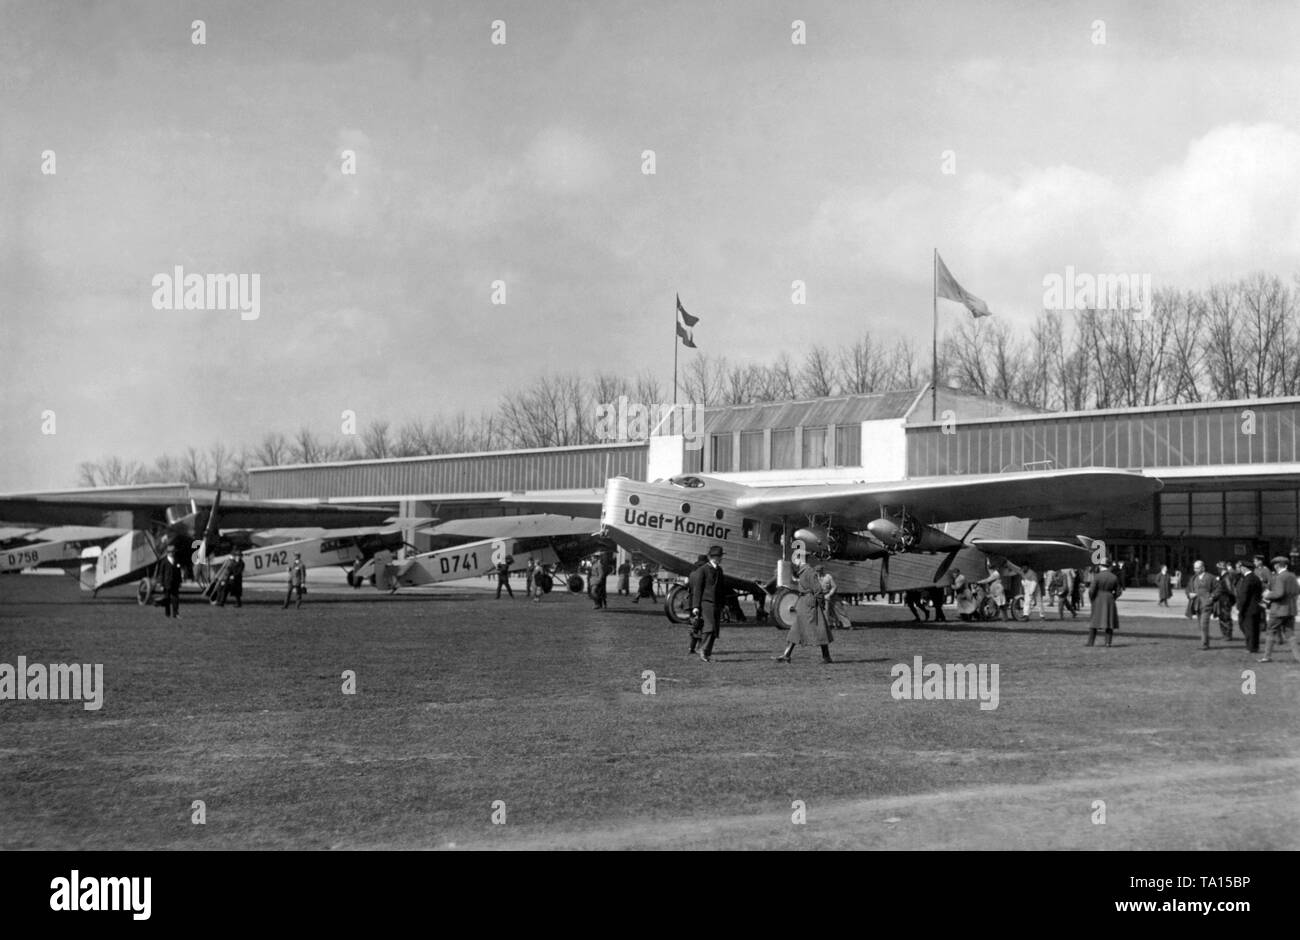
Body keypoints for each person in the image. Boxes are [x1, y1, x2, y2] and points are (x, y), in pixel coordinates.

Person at [775, 561, 833, 663]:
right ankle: (786, 655)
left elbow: (818, 589)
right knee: (796, 629)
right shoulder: (804, 572)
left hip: (810, 604)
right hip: (805, 604)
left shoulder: (809, 572)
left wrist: (821, 603)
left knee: (819, 629)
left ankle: (826, 657)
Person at [1259, 555, 1300, 663]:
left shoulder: (1279, 577)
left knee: (1270, 632)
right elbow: (1297, 591)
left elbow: (1278, 593)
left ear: (1277, 565)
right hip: (1291, 609)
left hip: (1278, 610)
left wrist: (1267, 595)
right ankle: (1298, 657)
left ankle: (1267, 656)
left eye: (1274, 565)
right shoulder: (1292, 576)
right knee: (1290, 634)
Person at [688, 545, 725, 662]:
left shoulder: (719, 570)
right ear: (715, 557)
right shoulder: (703, 570)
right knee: (709, 627)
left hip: (717, 604)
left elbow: (721, 589)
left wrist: (724, 605)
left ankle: (707, 653)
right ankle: (703, 651)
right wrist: (695, 607)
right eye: (720, 556)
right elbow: (698, 589)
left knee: (714, 630)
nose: (721, 558)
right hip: (706, 603)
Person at [1087, 560, 1122, 646]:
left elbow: (1091, 591)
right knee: (1109, 622)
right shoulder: (1114, 577)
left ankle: (1091, 642)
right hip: (1109, 599)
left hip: (1098, 598)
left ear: (1101, 566)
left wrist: (1092, 599)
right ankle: (1108, 642)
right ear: (1109, 566)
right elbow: (1119, 591)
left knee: (1094, 621)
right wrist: (1113, 597)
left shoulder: (1097, 576)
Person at [1234, 560, 1263, 654]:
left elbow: (1244, 595)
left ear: (1244, 568)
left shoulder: (1248, 579)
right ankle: (1254, 646)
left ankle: (1251, 647)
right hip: (1256, 607)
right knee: (1254, 628)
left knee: (1247, 627)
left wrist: (1240, 607)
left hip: (1248, 608)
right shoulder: (1256, 578)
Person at [1186, 559, 1217, 650]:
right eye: (1194, 568)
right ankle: (1205, 641)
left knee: (1204, 624)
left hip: (1206, 605)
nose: (1195, 570)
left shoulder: (1211, 577)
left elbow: (1218, 588)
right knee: (1200, 625)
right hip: (1196, 604)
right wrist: (1189, 594)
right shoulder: (1193, 578)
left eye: (1197, 568)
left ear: (1203, 568)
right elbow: (1187, 589)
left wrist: (1212, 597)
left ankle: (1204, 644)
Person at [158, 545, 183, 619]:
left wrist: (180, 582)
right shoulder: (164, 561)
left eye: (173, 552)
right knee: (167, 599)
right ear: (167, 552)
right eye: (170, 552)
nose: (171, 553)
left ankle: (176, 613)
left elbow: (179, 572)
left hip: (175, 583)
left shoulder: (177, 560)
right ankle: (167, 614)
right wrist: (161, 584)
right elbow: (161, 573)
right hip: (166, 583)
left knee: (175, 599)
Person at [1213, 561, 1236, 639]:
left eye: (1218, 568)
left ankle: (1227, 635)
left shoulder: (1226, 577)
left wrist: (1231, 599)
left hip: (1225, 599)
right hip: (1223, 599)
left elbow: (1230, 589)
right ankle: (1225, 634)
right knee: (1222, 616)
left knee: (1225, 616)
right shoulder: (1223, 576)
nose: (1217, 569)